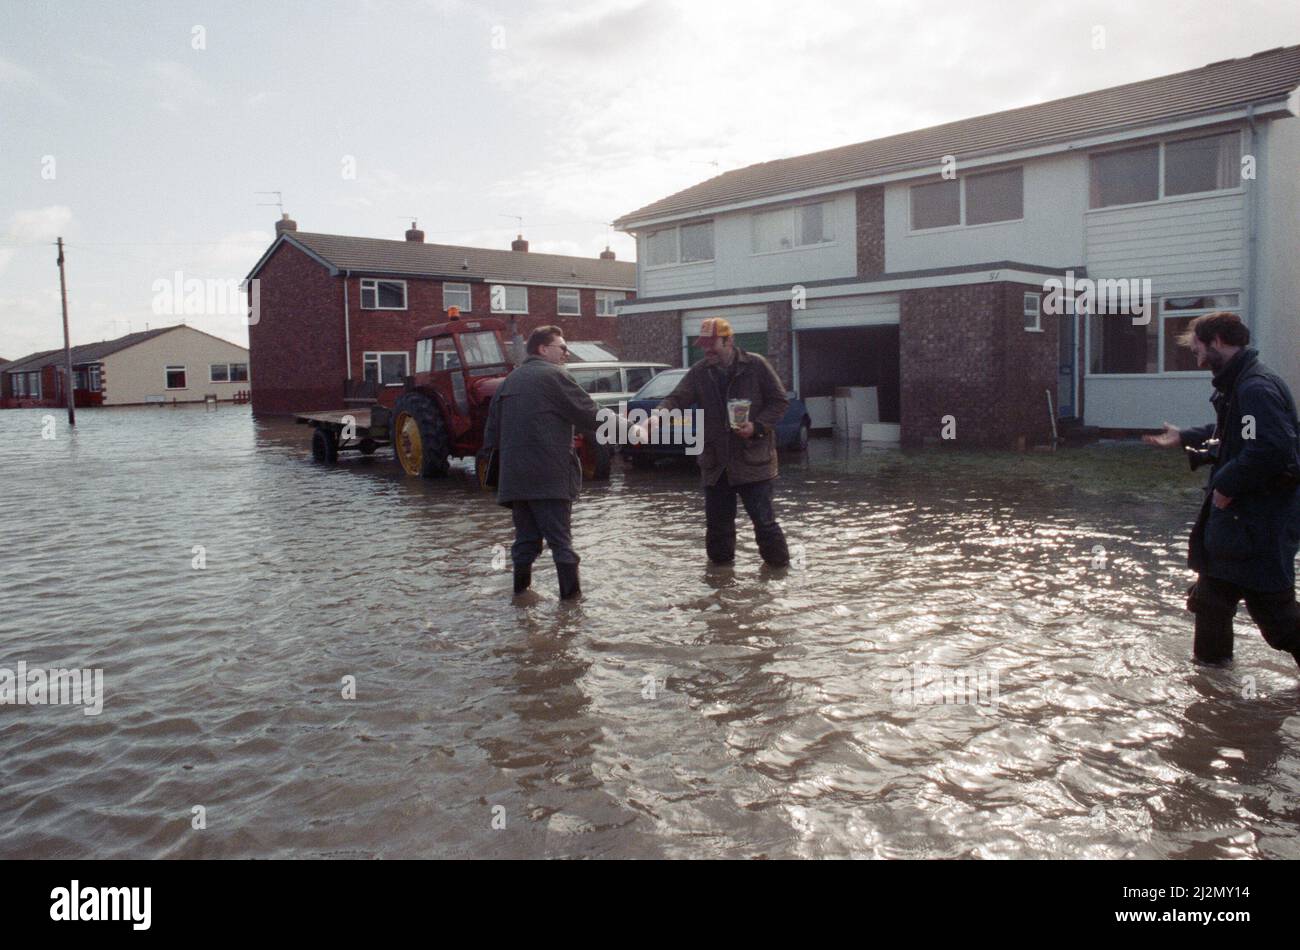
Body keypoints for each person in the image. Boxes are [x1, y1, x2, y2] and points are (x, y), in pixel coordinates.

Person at [1143, 311, 1300, 668]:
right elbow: (1237, 437)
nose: (1196, 357)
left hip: (1259, 527)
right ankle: (1213, 698)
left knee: (1279, 622)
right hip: (1234, 529)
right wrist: (1184, 436)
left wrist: (1226, 485)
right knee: (1210, 603)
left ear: (1216, 342)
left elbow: (1271, 449)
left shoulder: (1255, 388)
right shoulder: (1241, 384)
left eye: (1198, 347)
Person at [635, 317, 791, 568]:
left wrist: (757, 427)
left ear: (729, 341)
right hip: (716, 463)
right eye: (703, 345)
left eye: (712, 344)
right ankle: (719, 585)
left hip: (754, 461)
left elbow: (779, 401)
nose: (707, 350)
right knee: (718, 528)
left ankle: (779, 576)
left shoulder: (756, 365)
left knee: (764, 523)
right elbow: (676, 399)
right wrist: (654, 418)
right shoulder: (700, 371)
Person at [483, 325, 606, 601]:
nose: (566, 353)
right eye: (561, 347)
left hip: (515, 482)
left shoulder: (507, 382)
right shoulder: (554, 376)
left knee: (524, 542)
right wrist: (631, 429)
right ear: (542, 349)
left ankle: (521, 597)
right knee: (562, 544)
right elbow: (590, 414)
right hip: (550, 479)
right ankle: (571, 608)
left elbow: (491, 436)